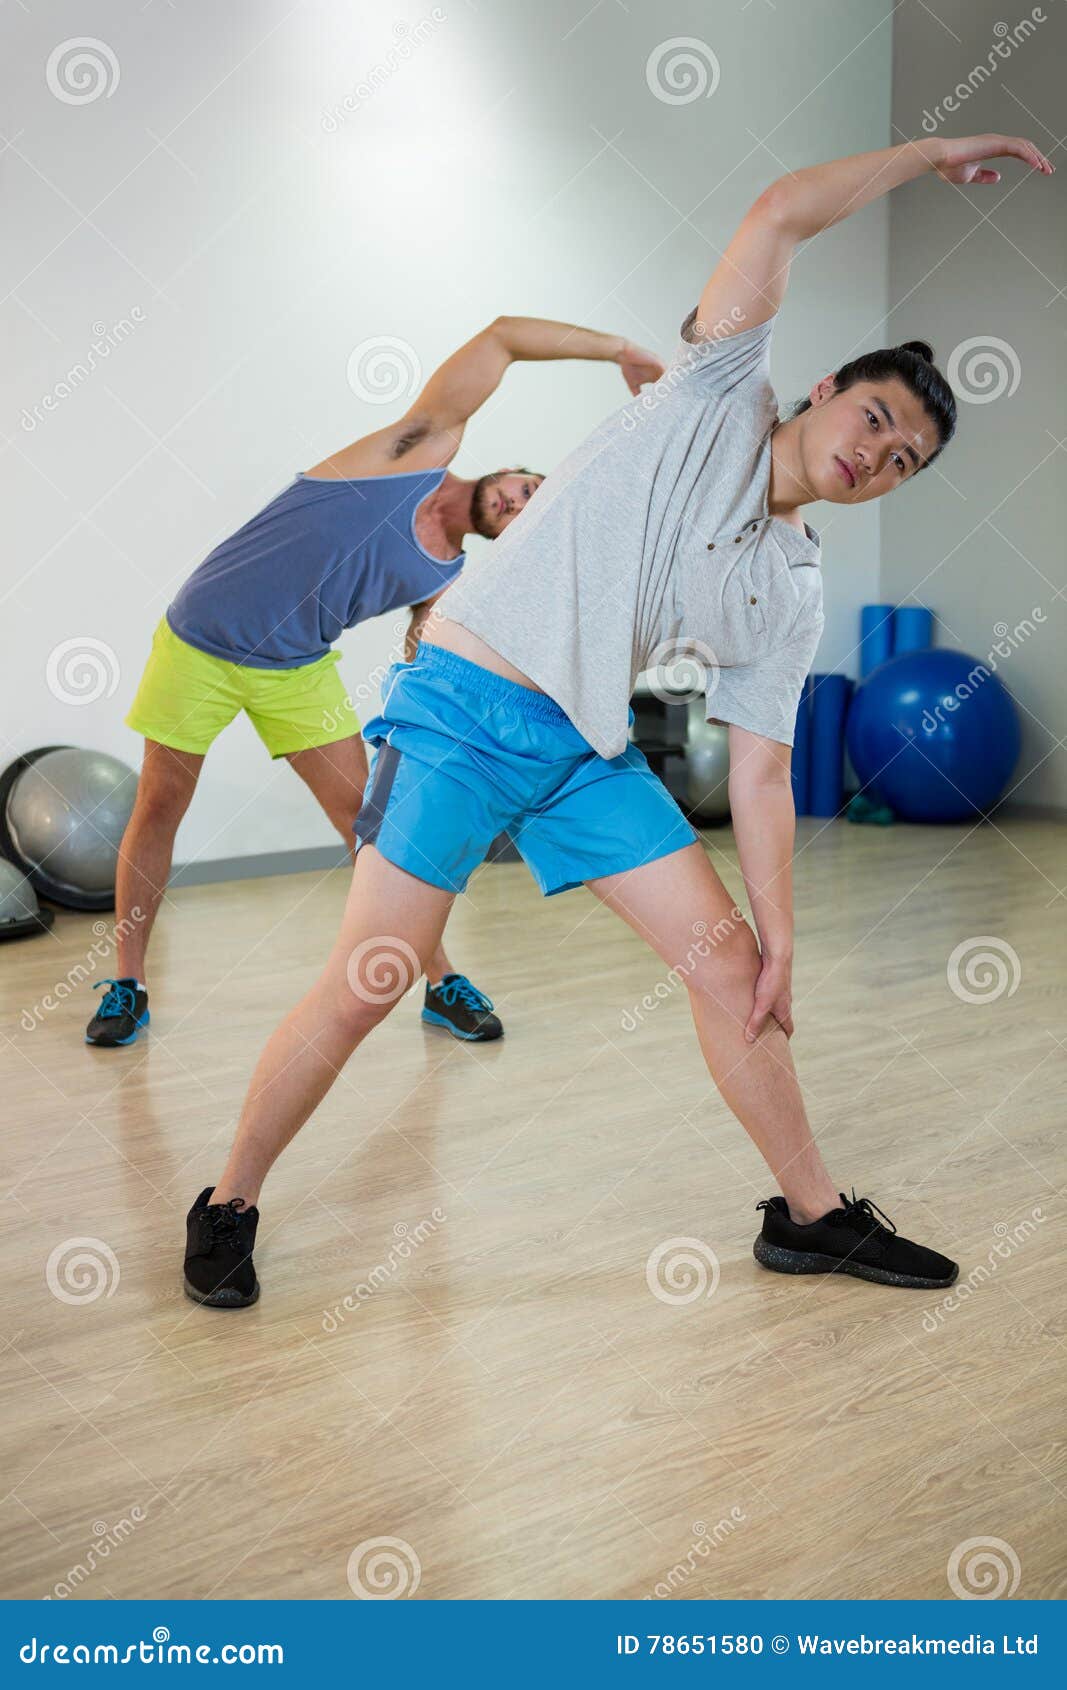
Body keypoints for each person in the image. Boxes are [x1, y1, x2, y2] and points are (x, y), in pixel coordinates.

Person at [181, 132, 1053, 1308]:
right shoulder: (712, 391)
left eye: (901, 460)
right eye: (874, 420)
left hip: (581, 748)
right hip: (461, 706)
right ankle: (228, 1199)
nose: (875, 455)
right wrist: (932, 152)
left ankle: (809, 1218)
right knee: (372, 978)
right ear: (823, 391)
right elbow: (782, 207)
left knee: (728, 968)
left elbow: (757, 770)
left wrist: (778, 934)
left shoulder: (790, 586)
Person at [85, 315, 664, 1048]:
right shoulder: (411, 450)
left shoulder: (446, 576)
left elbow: (428, 650)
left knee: (374, 826)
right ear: (509, 471)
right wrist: (620, 350)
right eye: (526, 486)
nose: (517, 502)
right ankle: (127, 985)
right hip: (197, 639)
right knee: (160, 803)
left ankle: (440, 981)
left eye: (527, 513)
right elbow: (503, 338)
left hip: (296, 669)